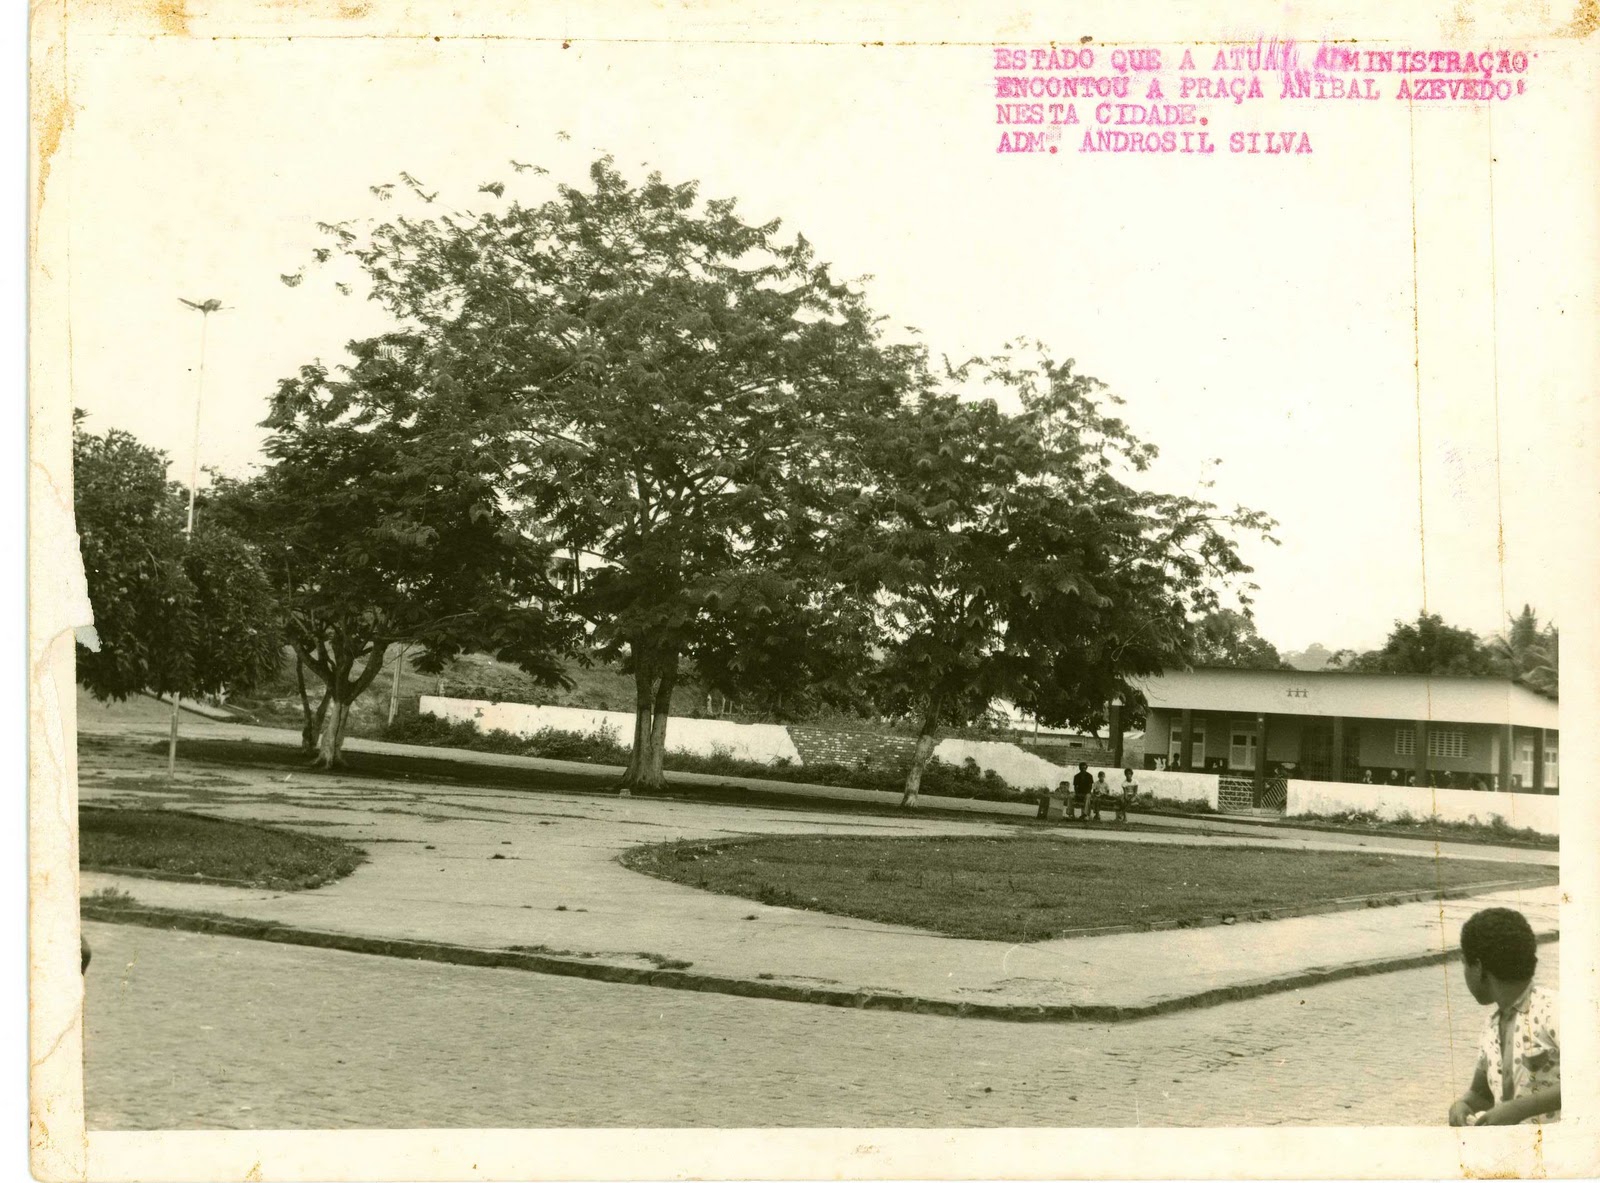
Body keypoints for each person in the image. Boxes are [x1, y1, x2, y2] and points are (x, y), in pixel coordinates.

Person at [1448, 907, 1560, 1127]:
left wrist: (1519, 1109)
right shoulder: (1491, 1027)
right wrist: (1463, 1105)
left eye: (1464, 964)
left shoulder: (1552, 1009)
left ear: (1478, 968)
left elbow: (1590, 1075)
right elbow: (1481, 1094)